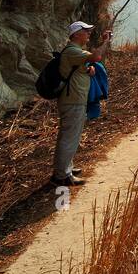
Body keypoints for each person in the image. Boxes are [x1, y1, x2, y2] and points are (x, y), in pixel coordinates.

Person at [52, 21, 111, 188]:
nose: (88, 34)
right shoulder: (72, 51)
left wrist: (89, 70)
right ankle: (62, 176)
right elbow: (96, 57)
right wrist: (105, 42)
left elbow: (85, 66)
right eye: (85, 31)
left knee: (71, 136)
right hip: (72, 100)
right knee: (69, 137)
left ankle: (65, 168)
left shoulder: (75, 52)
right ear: (76, 34)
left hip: (75, 99)